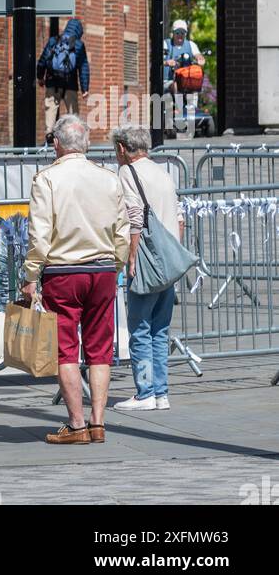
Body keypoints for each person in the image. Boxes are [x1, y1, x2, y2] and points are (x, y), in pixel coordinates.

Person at [23, 113, 130, 446]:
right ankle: (98, 422)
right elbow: (122, 231)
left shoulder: (47, 179)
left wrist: (30, 274)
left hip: (63, 271)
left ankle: (76, 424)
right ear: (85, 144)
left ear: (56, 143)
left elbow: (39, 235)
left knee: (65, 351)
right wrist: (116, 265)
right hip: (101, 270)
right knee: (100, 349)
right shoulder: (109, 178)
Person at [112, 125, 185, 413]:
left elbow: (134, 218)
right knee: (160, 329)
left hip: (144, 259)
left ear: (121, 148)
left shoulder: (127, 173)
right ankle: (161, 391)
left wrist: (131, 257)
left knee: (140, 328)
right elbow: (178, 217)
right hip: (168, 260)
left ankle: (145, 392)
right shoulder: (163, 172)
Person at [37, 18, 90, 133]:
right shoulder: (79, 45)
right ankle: (74, 135)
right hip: (70, 84)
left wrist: (40, 77)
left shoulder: (53, 41)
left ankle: (49, 133)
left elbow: (43, 60)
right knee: (73, 113)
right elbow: (83, 67)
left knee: (50, 109)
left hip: (52, 82)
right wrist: (85, 88)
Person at [163, 19, 205, 131]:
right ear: (173, 33)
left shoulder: (190, 45)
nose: (180, 35)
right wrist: (167, 62)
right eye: (177, 33)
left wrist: (200, 59)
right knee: (175, 86)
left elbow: (198, 55)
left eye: (182, 33)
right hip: (169, 80)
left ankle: (193, 110)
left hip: (187, 80)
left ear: (185, 34)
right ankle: (178, 109)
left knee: (194, 87)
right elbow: (159, 59)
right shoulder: (166, 44)